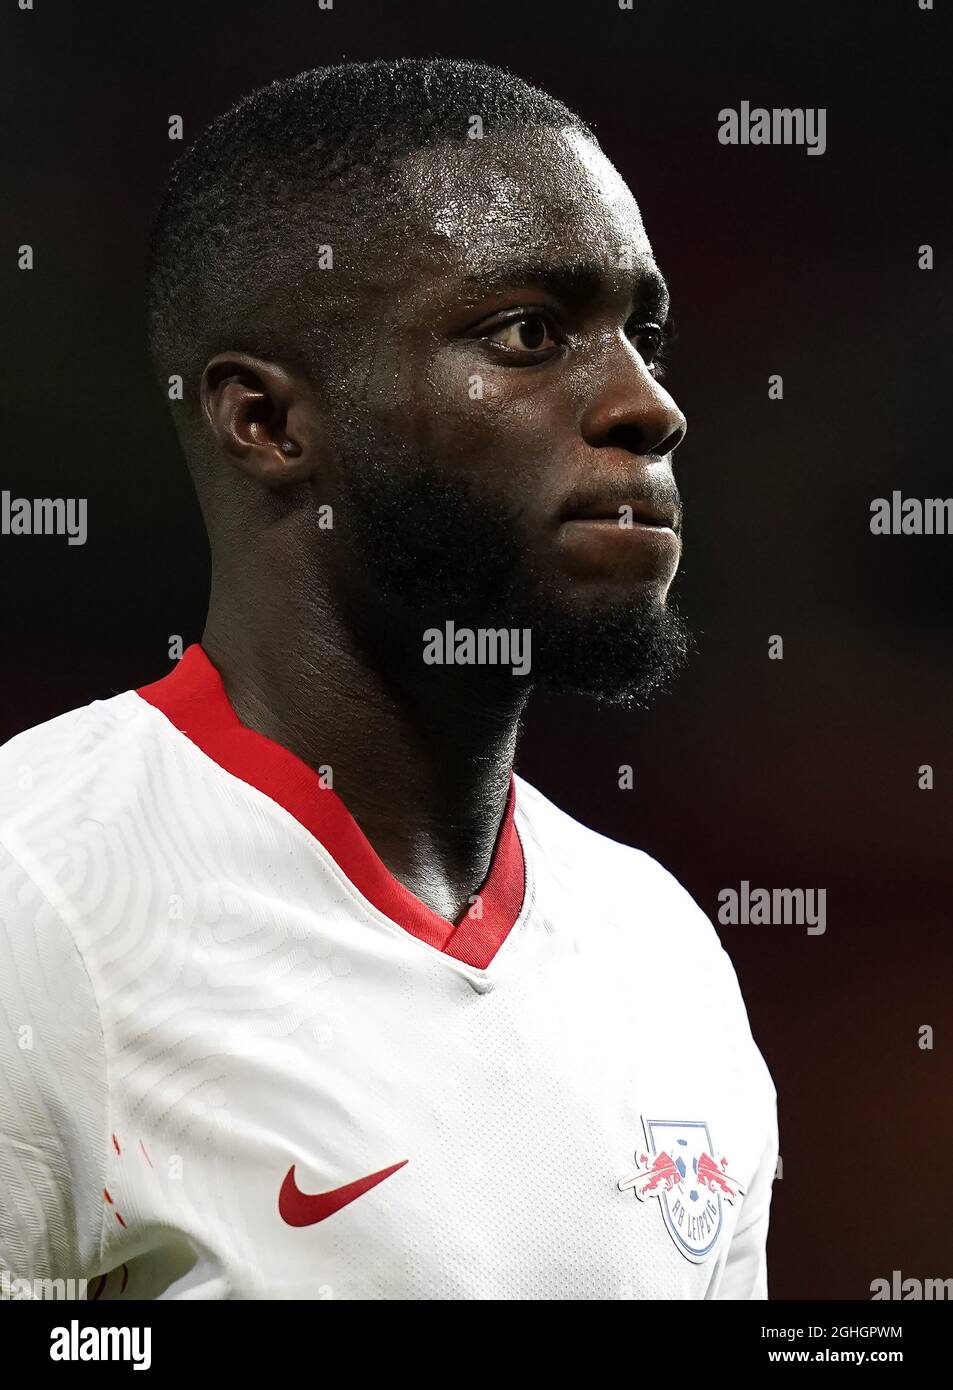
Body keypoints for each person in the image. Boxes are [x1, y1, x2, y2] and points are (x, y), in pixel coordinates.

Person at [0, 58, 777, 1300]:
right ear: (266, 422)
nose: (649, 405)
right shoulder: (33, 897)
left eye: (646, 333)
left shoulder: (663, 955)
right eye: (529, 333)